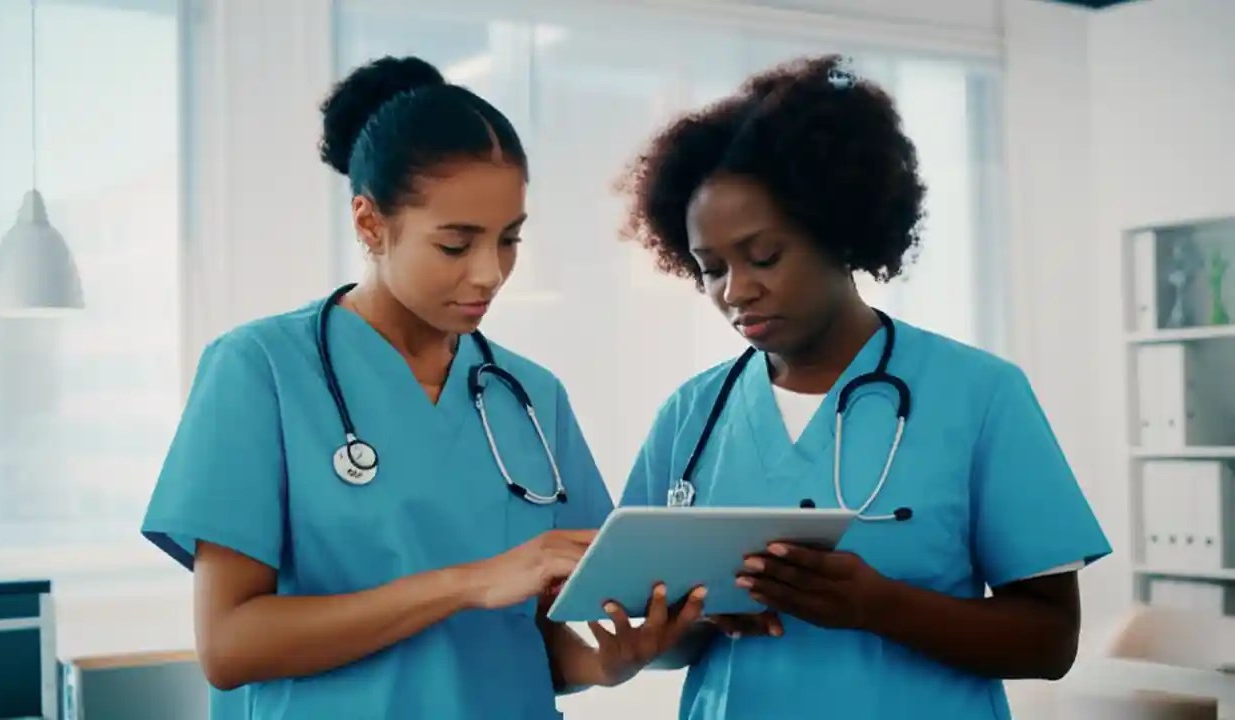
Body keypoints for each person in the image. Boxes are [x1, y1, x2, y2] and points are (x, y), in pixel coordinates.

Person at [141, 56, 703, 720]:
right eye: (455, 244)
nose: (490, 273)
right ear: (370, 223)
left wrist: (606, 666)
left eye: (509, 239)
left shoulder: (530, 395)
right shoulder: (260, 370)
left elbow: (529, 638)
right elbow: (231, 647)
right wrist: (468, 583)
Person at [614, 55, 1112, 719]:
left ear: (839, 232)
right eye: (711, 269)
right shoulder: (691, 415)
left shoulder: (979, 395)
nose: (737, 290)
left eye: (765, 257)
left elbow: (1051, 643)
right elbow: (653, 633)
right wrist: (694, 621)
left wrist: (879, 606)